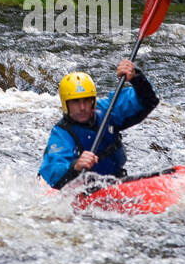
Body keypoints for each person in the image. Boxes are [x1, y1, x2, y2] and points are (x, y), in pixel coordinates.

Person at [38, 59, 159, 189]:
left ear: (93, 100)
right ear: (66, 104)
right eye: (76, 102)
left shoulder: (107, 111)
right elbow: (54, 171)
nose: (83, 107)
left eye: (86, 100)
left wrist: (136, 78)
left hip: (116, 182)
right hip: (85, 192)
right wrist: (76, 165)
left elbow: (148, 101)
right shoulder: (62, 133)